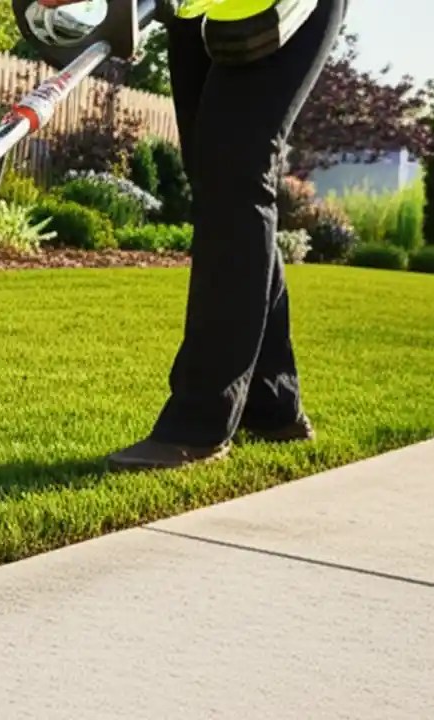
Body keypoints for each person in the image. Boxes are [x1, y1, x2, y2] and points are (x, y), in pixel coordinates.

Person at [40, 0, 347, 471]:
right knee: (215, 182)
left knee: (235, 169)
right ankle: (273, 405)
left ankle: (200, 420)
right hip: (195, 13)